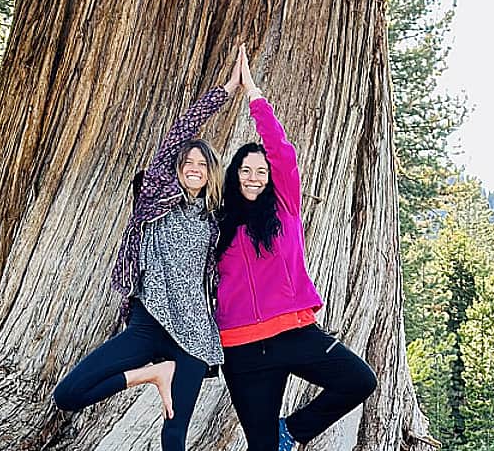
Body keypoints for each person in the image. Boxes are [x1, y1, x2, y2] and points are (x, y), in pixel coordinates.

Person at [53, 56, 241, 450]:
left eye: (202, 163)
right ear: (176, 168)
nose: (194, 167)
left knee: (174, 434)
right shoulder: (157, 196)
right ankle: (154, 373)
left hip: (194, 338)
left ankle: (166, 371)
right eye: (187, 162)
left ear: (211, 172)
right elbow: (181, 131)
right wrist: (227, 89)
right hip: (147, 324)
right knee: (68, 394)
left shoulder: (215, 219)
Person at [215, 48, 377, 451]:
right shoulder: (218, 221)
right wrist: (222, 93)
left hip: (294, 333)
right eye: (245, 170)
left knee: (359, 380)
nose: (254, 177)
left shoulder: (285, 206)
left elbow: (282, 151)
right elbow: (179, 164)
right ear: (234, 176)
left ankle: (291, 431)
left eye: (261, 171)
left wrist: (252, 94)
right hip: (241, 348)